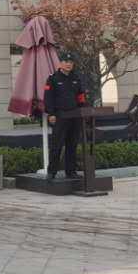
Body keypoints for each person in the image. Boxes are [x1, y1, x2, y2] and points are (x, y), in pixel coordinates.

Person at [44, 52, 87, 180]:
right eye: (66, 62)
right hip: (60, 116)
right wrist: (51, 113)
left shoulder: (76, 78)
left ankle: (71, 171)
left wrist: (83, 110)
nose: (68, 64)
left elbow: (80, 97)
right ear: (60, 63)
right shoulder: (53, 79)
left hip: (75, 116)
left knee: (72, 145)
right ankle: (52, 172)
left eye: (71, 62)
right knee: (56, 145)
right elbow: (48, 98)